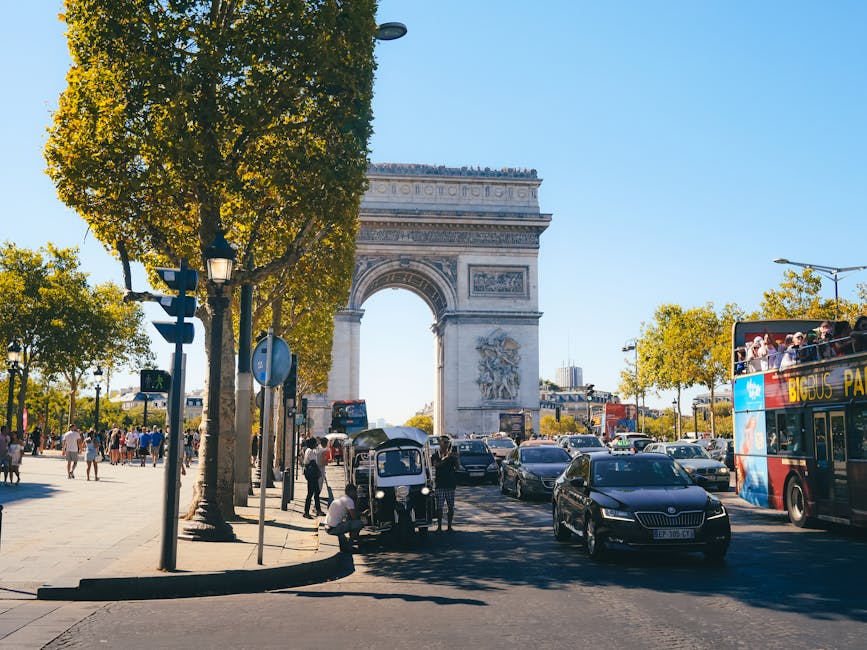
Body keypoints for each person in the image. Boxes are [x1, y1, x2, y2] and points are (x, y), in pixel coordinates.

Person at [324, 483, 364, 552]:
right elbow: (354, 517)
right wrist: (357, 504)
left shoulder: (341, 498)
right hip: (333, 528)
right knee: (359, 523)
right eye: (354, 492)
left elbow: (349, 517)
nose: (356, 494)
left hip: (328, 526)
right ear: (349, 492)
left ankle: (355, 542)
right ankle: (349, 546)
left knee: (352, 523)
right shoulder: (349, 501)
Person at [432, 435, 458, 532]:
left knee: (451, 506)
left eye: (448, 442)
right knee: (439, 507)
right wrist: (447, 457)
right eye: (445, 442)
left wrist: (456, 459)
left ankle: (449, 526)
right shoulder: (435, 455)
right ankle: (439, 526)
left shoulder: (451, 455)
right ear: (440, 443)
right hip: (440, 484)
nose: (447, 444)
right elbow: (437, 465)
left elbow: (457, 467)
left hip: (450, 484)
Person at [302, 438, 324, 519]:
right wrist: (319, 472)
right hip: (312, 474)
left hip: (311, 474)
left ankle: (318, 510)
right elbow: (313, 463)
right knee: (311, 493)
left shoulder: (309, 450)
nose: (316, 444)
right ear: (312, 444)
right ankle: (306, 512)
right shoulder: (310, 451)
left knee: (316, 492)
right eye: (315, 443)